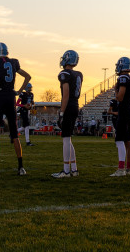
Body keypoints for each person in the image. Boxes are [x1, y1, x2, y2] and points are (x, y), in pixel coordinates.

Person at [0, 42, 31, 176]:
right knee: (14, 133)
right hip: (11, 96)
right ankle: (21, 168)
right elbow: (28, 76)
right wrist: (19, 91)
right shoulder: (14, 62)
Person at [51, 49, 84, 178]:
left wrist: (61, 112)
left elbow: (65, 95)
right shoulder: (79, 74)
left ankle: (65, 170)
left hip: (69, 105)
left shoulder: (64, 73)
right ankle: (74, 169)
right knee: (68, 138)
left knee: (65, 138)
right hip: (76, 105)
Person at [110, 56, 130, 176]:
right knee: (128, 141)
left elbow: (120, 97)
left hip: (124, 110)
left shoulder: (123, 78)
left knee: (120, 140)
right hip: (129, 110)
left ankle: (121, 169)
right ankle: (129, 168)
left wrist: (116, 92)